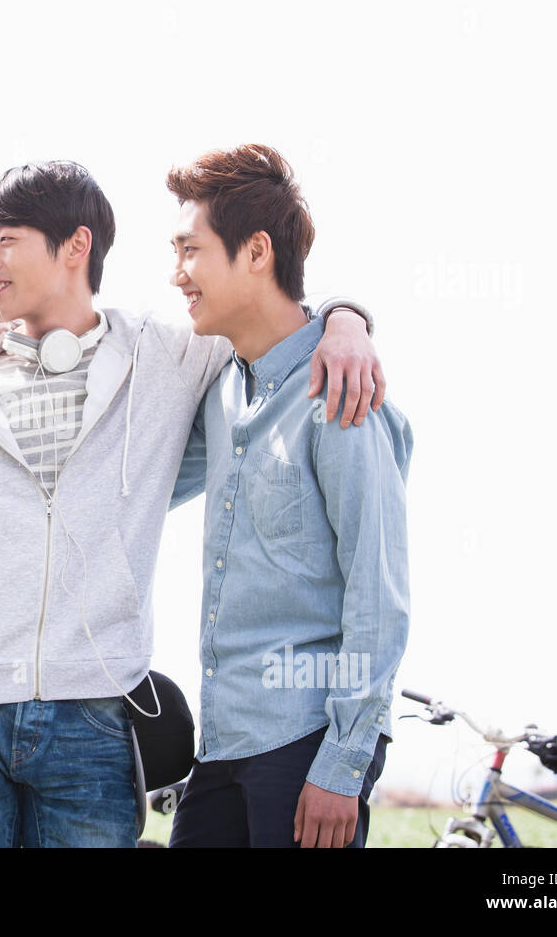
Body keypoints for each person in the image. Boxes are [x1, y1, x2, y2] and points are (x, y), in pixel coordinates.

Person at [0, 160, 382, 847]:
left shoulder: (167, 353)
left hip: (94, 716)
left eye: (6, 240)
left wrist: (346, 320)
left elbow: (271, 299)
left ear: (76, 246)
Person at [165, 145, 411, 848]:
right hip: (220, 744)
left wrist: (343, 763)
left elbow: (379, 589)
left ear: (257, 252)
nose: (175, 274)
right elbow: (134, 488)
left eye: (190, 250)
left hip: (305, 744)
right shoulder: (221, 390)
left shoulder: (340, 393)